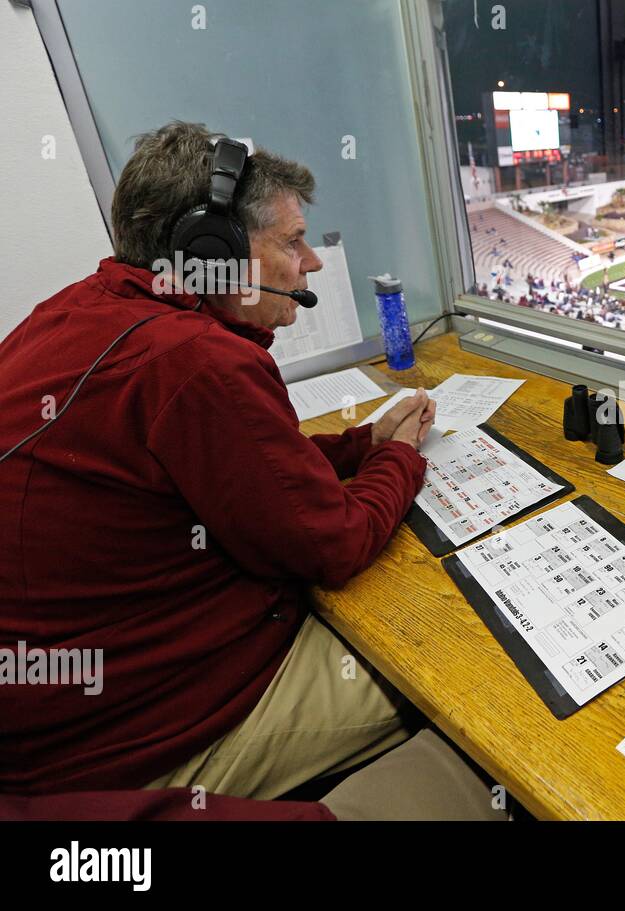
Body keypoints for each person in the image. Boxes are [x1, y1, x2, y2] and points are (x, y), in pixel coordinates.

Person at [0, 123, 500, 819]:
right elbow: (335, 543)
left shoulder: (76, 312)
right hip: (123, 747)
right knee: (462, 664)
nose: (312, 265)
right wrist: (399, 459)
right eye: (292, 242)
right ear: (215, 253)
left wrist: (359, 447)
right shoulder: (196, 362)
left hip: (51, 725)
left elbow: (242, 474)